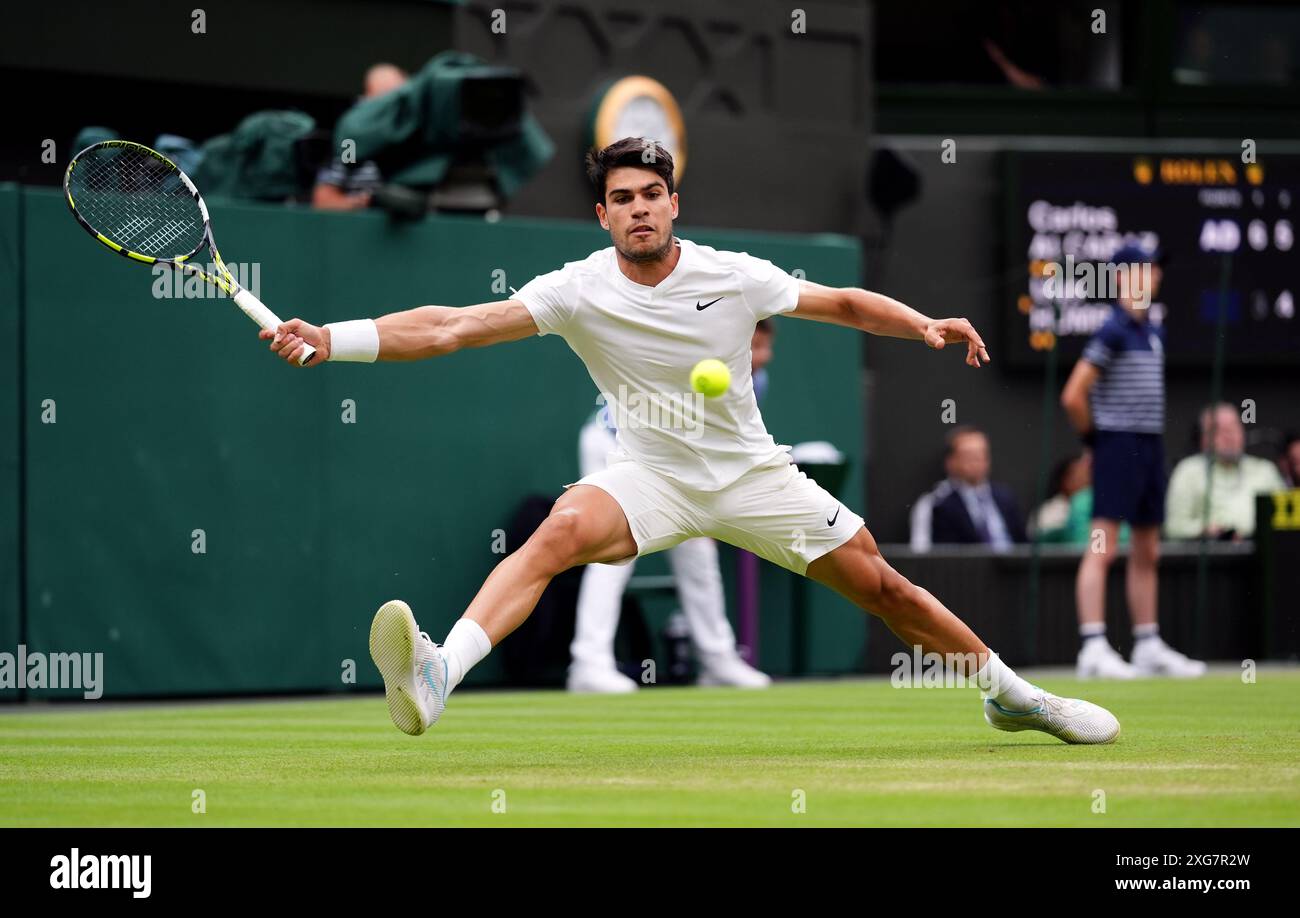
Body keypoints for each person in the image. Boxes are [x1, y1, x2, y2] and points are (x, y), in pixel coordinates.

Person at [263, 137, 1121, 745]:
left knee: (887, 592)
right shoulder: (576, 289)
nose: (639, 210)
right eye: (622, 200)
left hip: (751, 474)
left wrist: (923, 324)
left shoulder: (734, 276)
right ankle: (439, 672)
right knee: (556, 534)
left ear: (674, 203)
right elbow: (453, 326)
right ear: (602, 215)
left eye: (651, 195)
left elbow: (846, 305)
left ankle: (1013, 697)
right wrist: (334, 337)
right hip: (649, 475)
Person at [567, 321, 777, 692]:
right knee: (612, 554)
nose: (761, 356)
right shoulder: (690, 362)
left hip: (676, 458)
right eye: (752, 346)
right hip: (614, 442)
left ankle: (717, 661)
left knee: (698, 553)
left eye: (764, 347)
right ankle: (588, 663)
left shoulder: (756, 383)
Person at [1060, 243, 1205, 679]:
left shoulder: (1152, 332)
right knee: (1101, 546)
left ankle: (1146, 643)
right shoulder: (1113, 330)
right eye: (1145, 269)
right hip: (1118, 446)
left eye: (1156, 270)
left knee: (1147, 549)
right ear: (1122, 277)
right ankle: (1093, 646)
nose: (1154, 276)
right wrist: (1097, 439)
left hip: (1149, 446)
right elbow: (1073, 396)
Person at [1165, 403, 1286, 540]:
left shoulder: (1265, 470)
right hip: (1212, 554)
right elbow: (1174, 527)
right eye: (1219, 430)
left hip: (1260, 551)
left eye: (1234, 427)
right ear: (1204, 439)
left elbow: (1286, 522)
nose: (1229, 436)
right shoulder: (1188, 471)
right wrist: (1203, 530)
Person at [909, 427, 1027, 551]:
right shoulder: (935, 503)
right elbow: (921, 553)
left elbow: (1024, 545)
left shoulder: (1006, 498)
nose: (976, 461)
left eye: (981, 454)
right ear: (950, 462)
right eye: (968, 455)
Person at [311, 63, 407, 211]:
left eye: (398, 99)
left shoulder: (411, 133)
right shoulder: (351, 140)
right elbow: (324, 199)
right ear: (368, 96)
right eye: (385, 97)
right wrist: (361, 203)